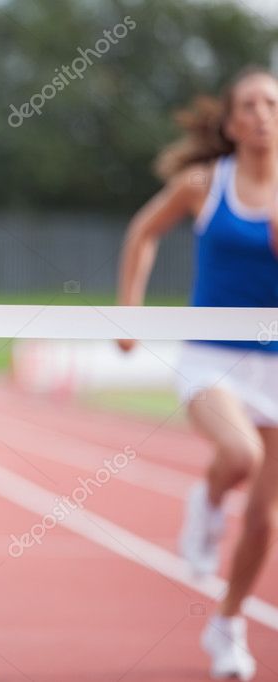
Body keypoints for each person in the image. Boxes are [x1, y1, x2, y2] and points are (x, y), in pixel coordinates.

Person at [117, 67, 278, 681]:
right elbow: (142, 232)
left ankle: (228, 622)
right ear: (233, 122)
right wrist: (127, 312)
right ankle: (208, 500)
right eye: (251, 105)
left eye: (272, 103)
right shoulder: (204, 184)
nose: (262, 113)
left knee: (266, 519)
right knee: (240, 456)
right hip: (215, 356)